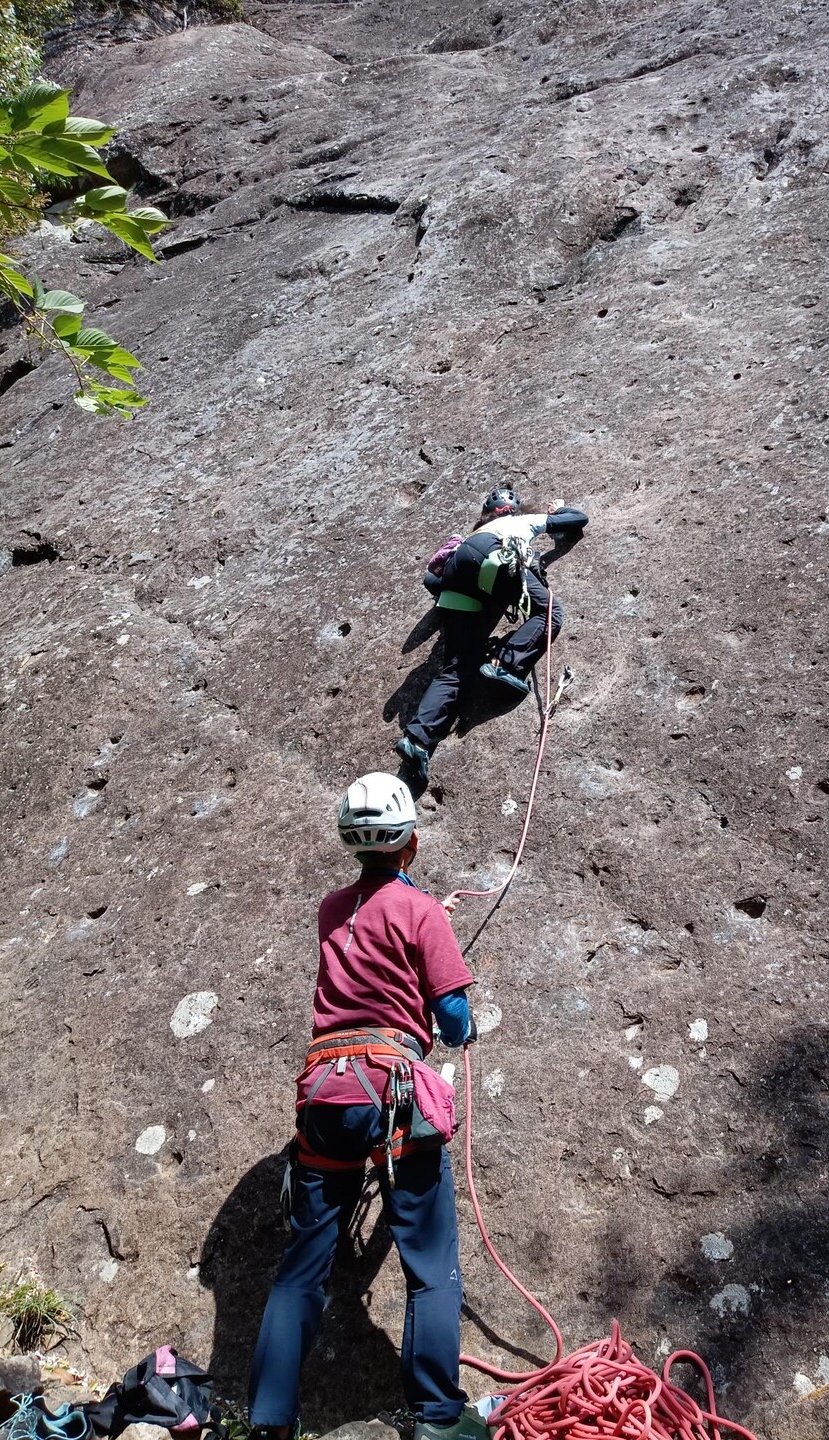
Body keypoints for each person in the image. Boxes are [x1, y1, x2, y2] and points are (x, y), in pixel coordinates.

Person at [248, 772, 485, 1440]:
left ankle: (269, 1421)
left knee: (304, 1263)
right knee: (429, 1263)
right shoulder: (422, 911)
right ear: (412, 842)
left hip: (326, 1092)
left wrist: (421, 912)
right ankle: (438, 1417)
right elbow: (452, 1015)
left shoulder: (332, 909)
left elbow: (372, 935)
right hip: (393, 1089)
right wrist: (463, 1021)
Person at [396, 488, 589, 782]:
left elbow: (431, 580)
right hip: (492, 558)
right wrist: (556, 511)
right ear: (512, 509)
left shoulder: (473, 533)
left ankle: (417, 741)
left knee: (456, 668)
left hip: (457, 577)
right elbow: (578, 519)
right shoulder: (519, 521)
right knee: (549, 612)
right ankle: (504, 664)